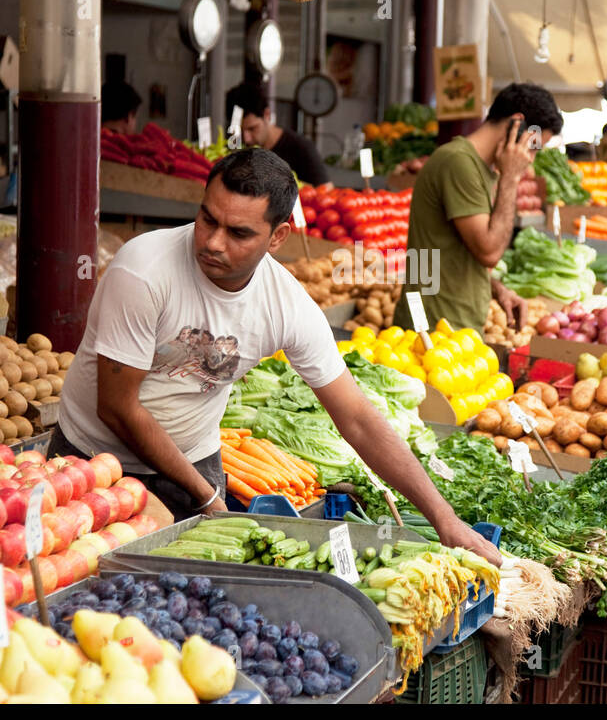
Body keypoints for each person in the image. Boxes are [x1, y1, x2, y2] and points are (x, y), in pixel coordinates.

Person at [52, 148, 500, 562]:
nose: (213, 242)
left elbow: (358, 419)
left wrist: (445, 520)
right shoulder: (143, 270)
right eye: (208, 219)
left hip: (194, 459)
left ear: (278, 236)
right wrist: (205, 495)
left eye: (239, 233)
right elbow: (116, 406)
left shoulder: (285, 305)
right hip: (93, 463)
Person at [392, 82, 564, 334]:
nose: (531, 158)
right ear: (517, 124)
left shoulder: (479, 168)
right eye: (534, 145)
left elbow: (457, 252)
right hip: (435, 330)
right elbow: (489, 252)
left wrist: (496, 288)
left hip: (453, 326)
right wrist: (511, 178)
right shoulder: (459, 163)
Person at [225, 82, 330, 185]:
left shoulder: (302, 148)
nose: (246, 138)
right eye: (239, 130)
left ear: (267, 115)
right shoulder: (237, 149)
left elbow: (327, 192)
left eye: (252, 129)